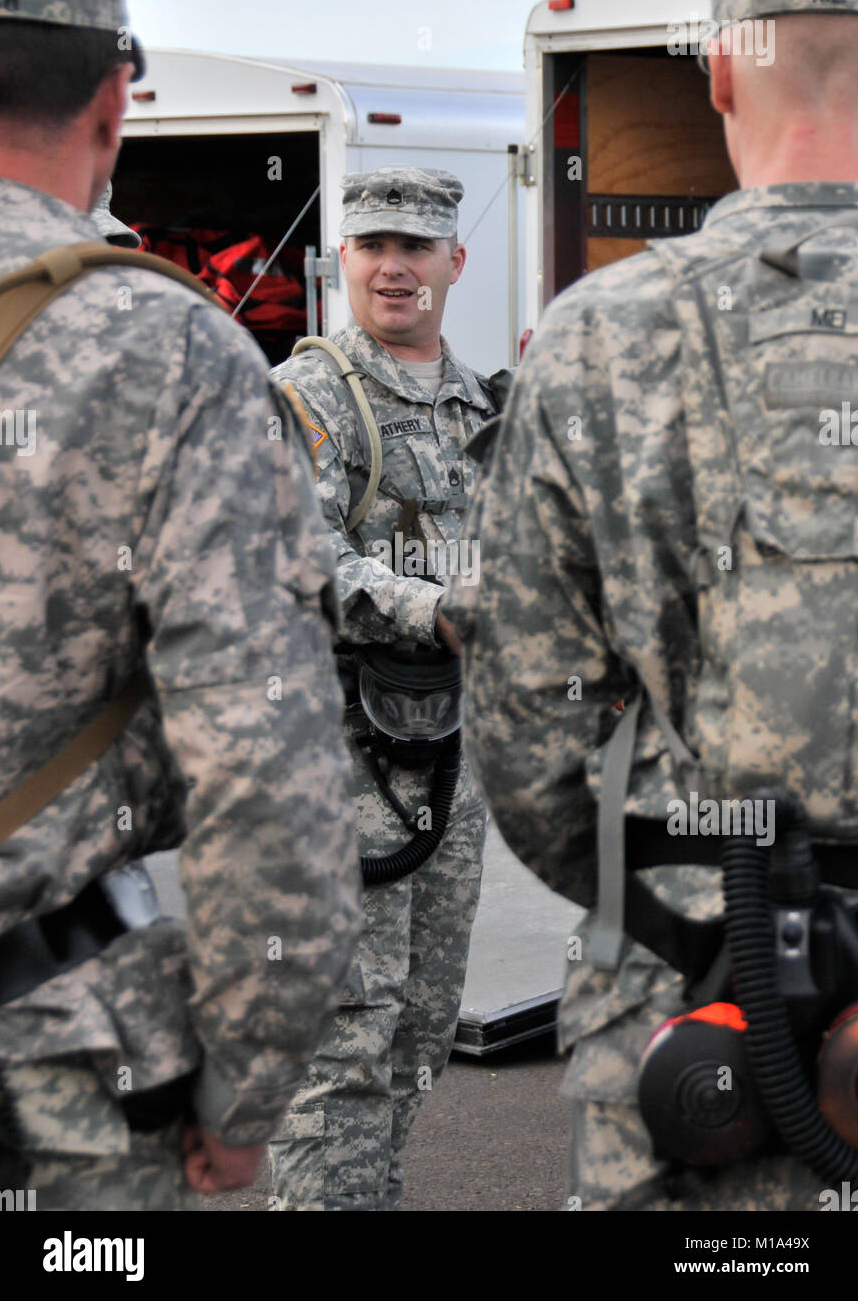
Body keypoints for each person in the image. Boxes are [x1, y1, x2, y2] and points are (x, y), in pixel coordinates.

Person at [445, 0, 858, 1212]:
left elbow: (527, 736)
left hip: (692, 1031)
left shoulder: (596, 337)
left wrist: (675, 887)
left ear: (720, 71)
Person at [0, 0, 361, 1211]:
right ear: (110, 101)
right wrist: (246, 1089)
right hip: (56, 1070)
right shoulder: (171, 350)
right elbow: (267, 771)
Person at [267, 167, 489, 1211]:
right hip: (338, 757)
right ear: (339, 260)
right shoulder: (307, 396)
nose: (393, 265)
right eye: (371, 246)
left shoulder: (477, 405)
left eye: (415, 245)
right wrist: (429, 609)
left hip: (451, 756)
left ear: (456, 259)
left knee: (420, 1028)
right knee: (344, 1035)